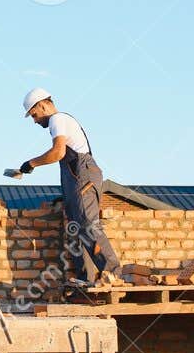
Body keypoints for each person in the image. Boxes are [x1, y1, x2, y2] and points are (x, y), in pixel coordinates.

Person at [13, 87, 123, 289]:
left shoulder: (58, 119)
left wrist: (31, 163)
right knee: (77, 229)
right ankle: (88, 278)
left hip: (84, 175)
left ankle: (114, 274)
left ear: (43, 104)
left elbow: (58, 152)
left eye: (35, 115)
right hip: (76, 178)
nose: (35, 120)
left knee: (88, 224)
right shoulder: (59, 122)